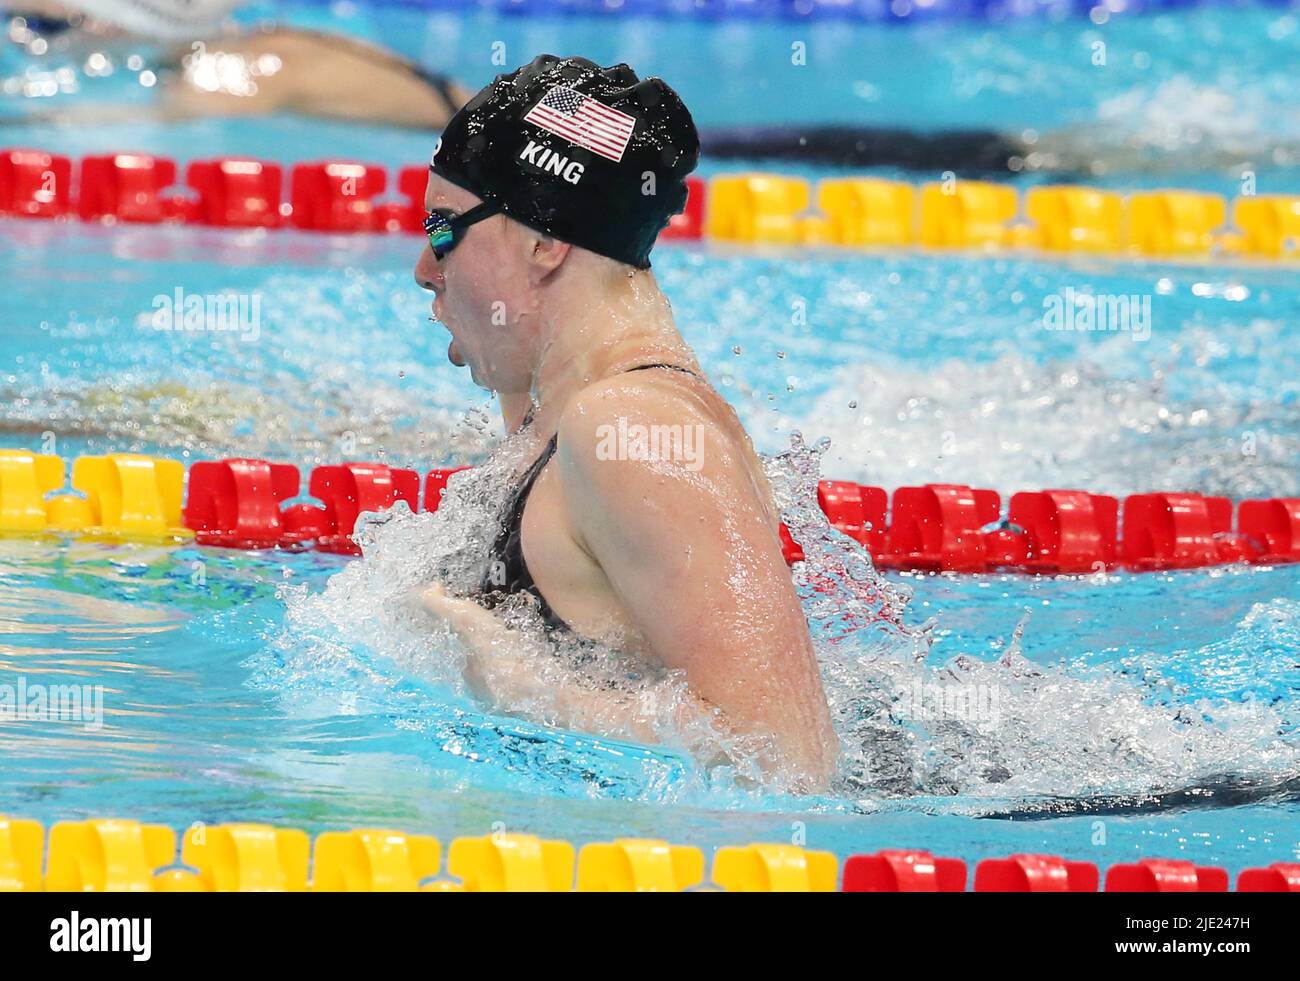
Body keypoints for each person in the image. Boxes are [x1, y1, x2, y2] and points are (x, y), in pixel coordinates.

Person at [412, 55, 840, 792]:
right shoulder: (558, 399)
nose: (424, 265)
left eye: (446, 230)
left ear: (546, 242)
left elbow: (788, 763)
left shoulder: (632, 429)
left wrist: (523, 689)